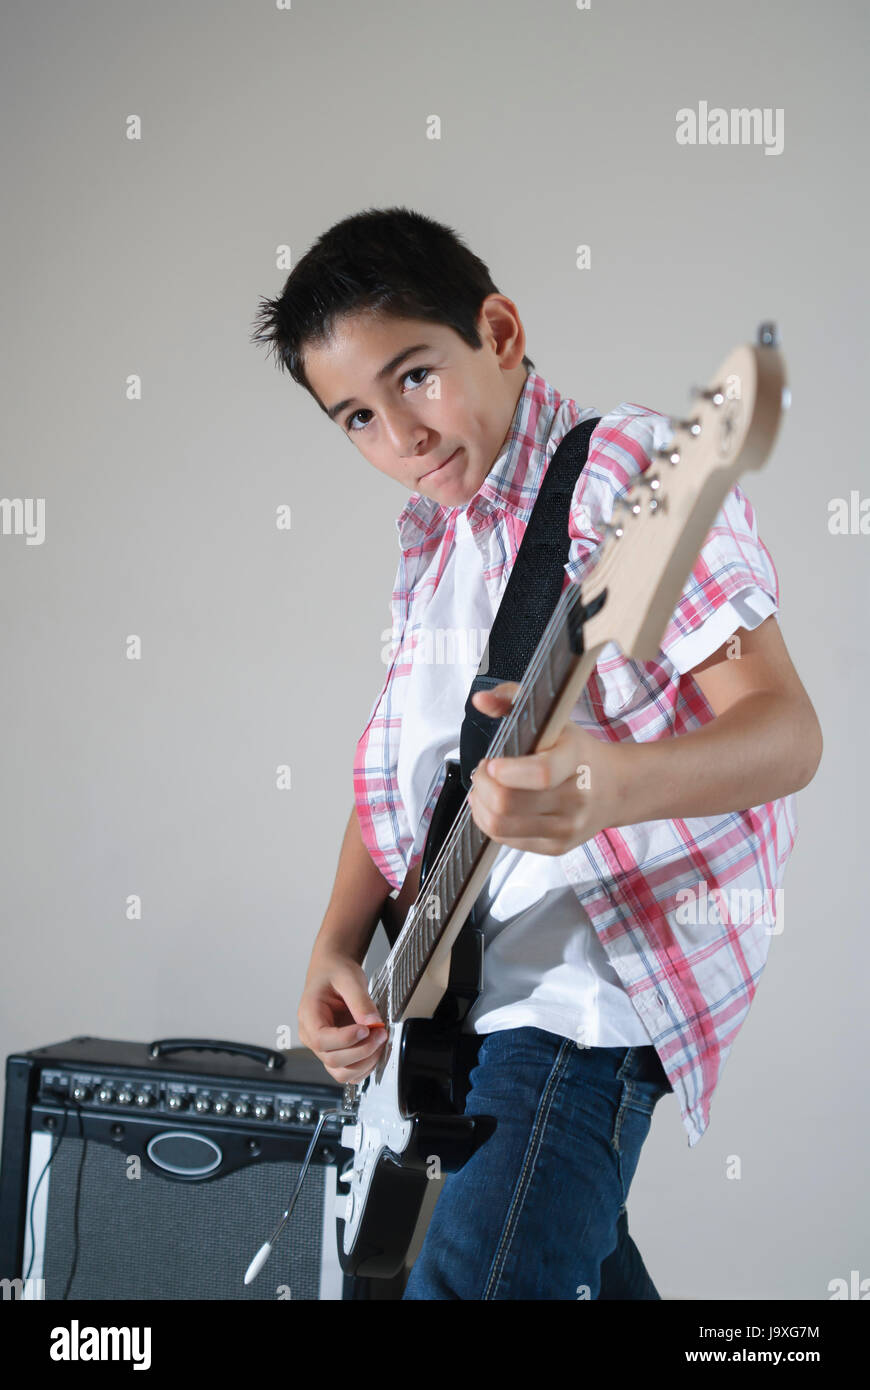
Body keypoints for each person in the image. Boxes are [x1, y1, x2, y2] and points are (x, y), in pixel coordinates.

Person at [250, 206, 823, 1300]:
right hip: (461, 1017)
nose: (400, 437)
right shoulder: (434, 551)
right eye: (358, 418)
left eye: (415, 377)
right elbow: (404, 794)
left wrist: (606, 785)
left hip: (576, 1000)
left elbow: (786, 731)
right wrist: (336, 942)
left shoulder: (625, 472)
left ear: (500, 330)